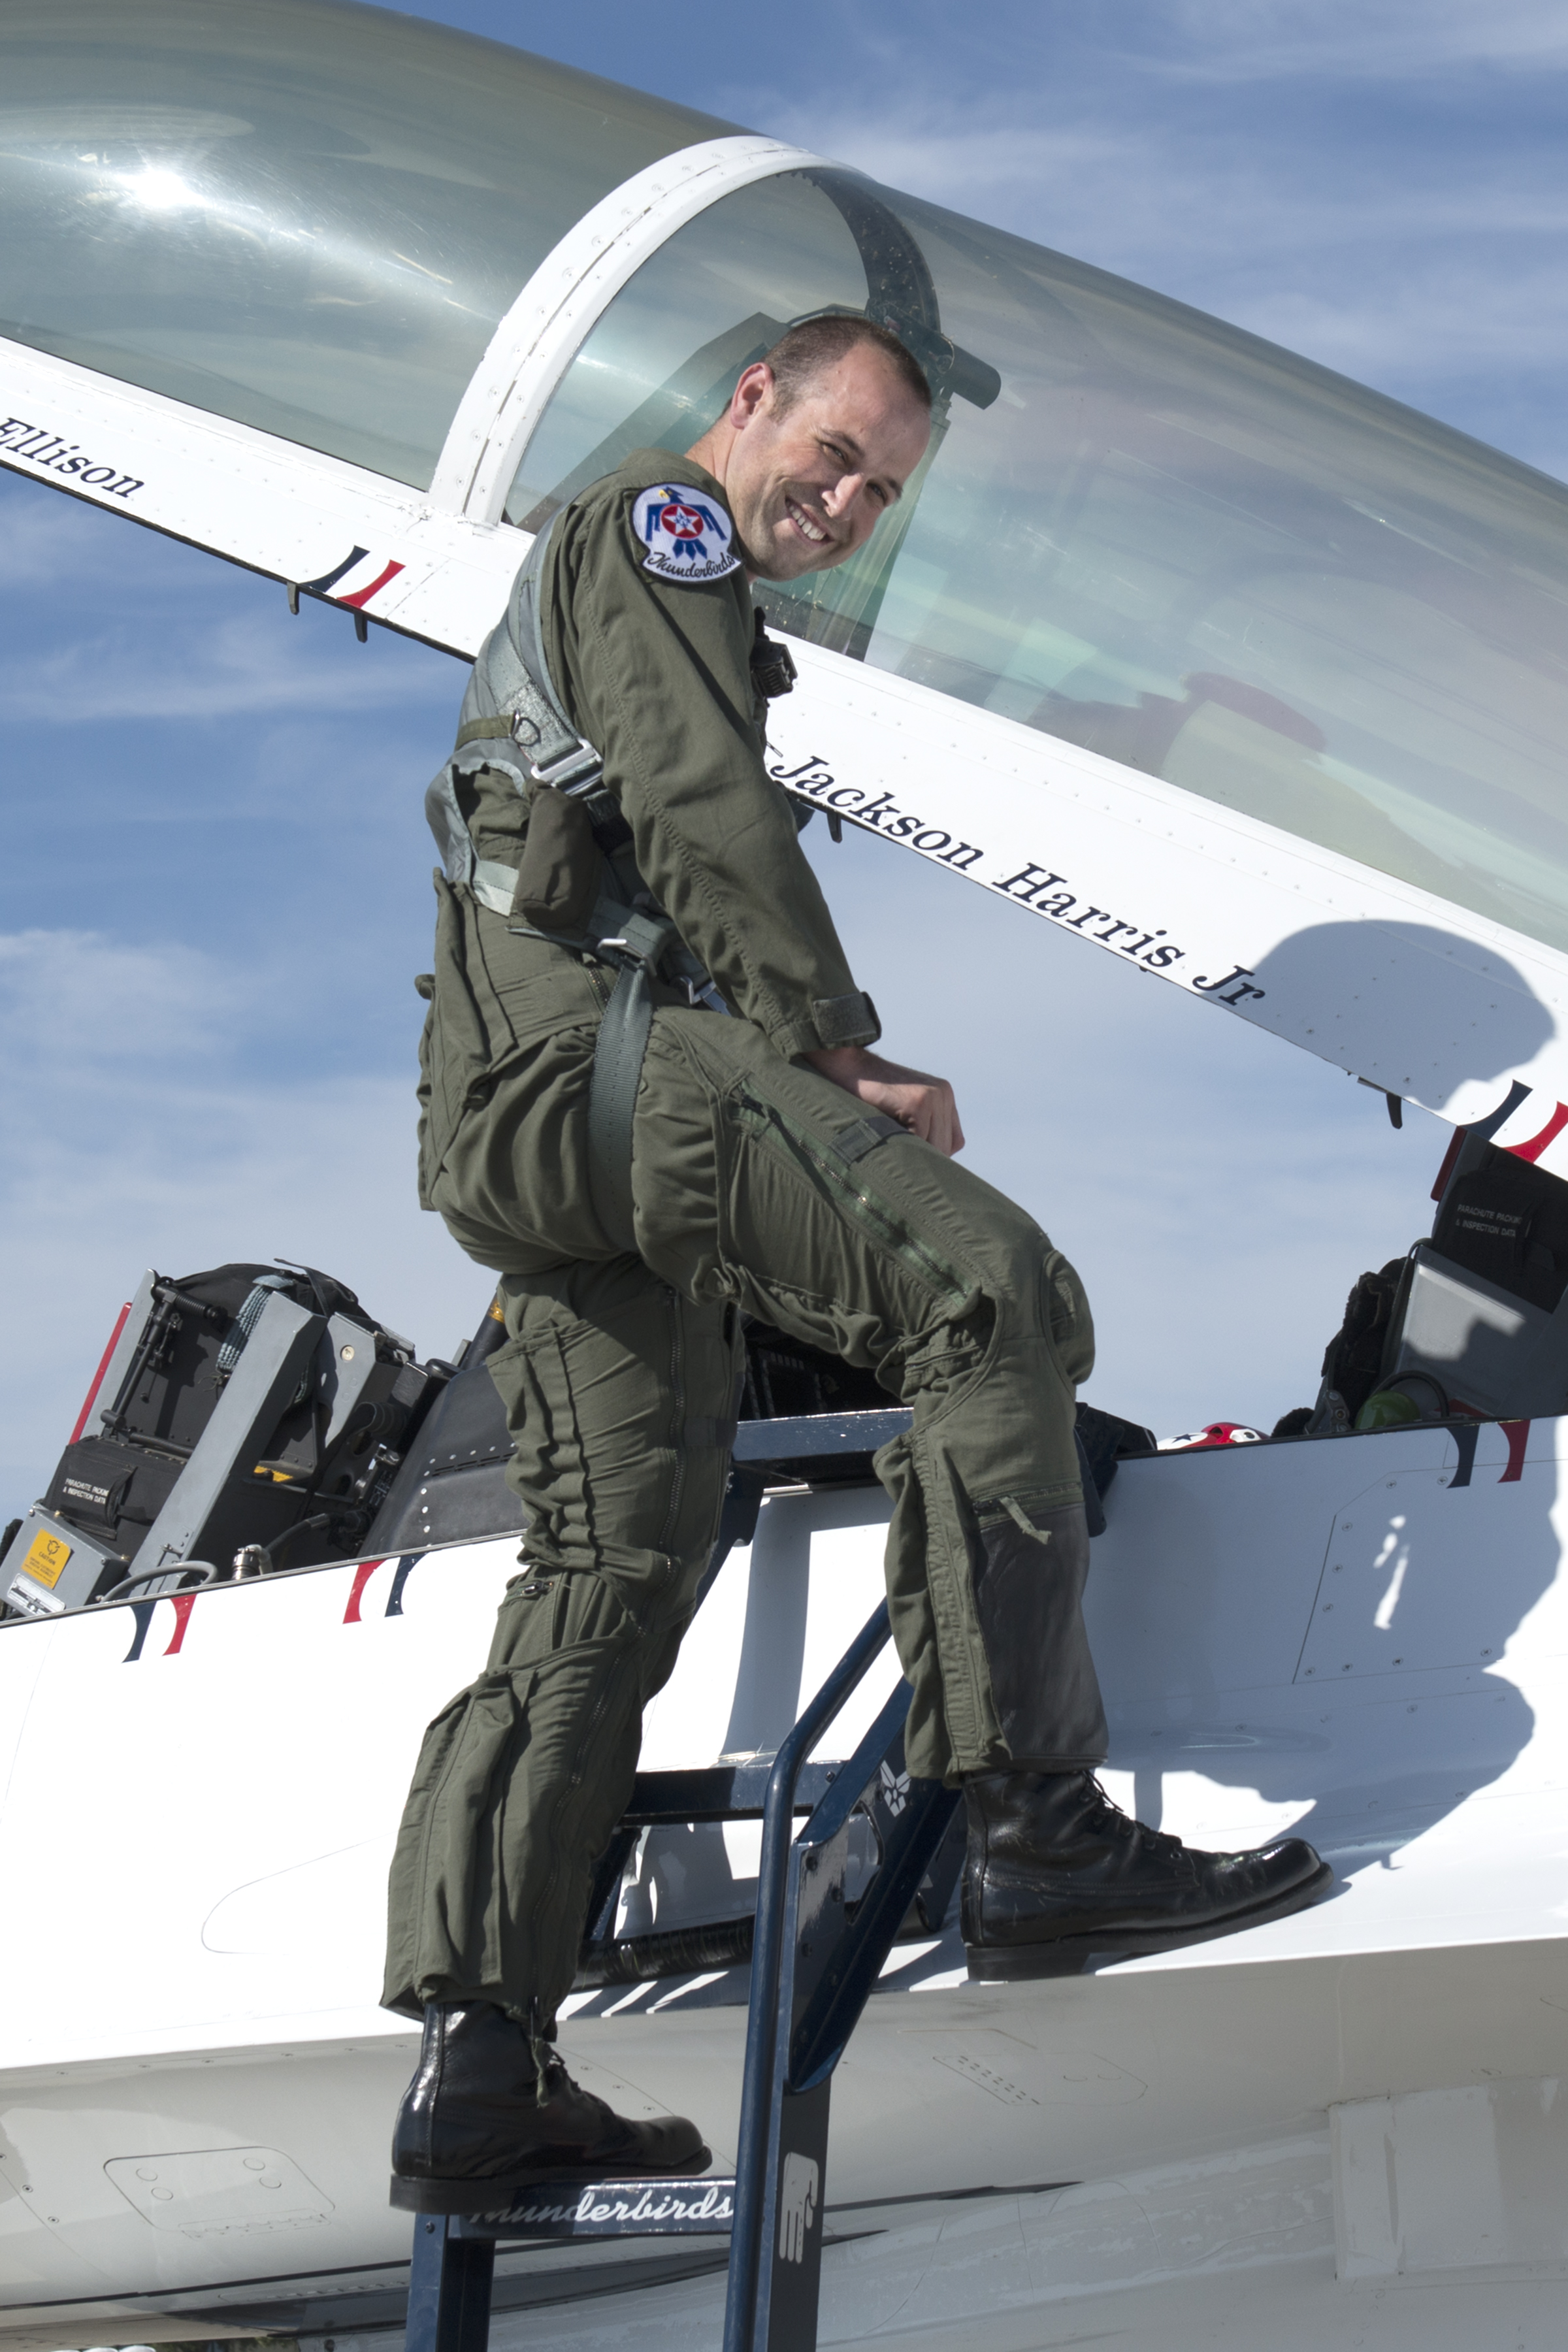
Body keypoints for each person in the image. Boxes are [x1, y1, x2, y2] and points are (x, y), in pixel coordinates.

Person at [382, 314, 1329, 2206]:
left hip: (507, 1119)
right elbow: (701, 810)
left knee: (610, 1556)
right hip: (611, 1070)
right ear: (748, 405)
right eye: (828, 451)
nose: (839, 500)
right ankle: (1038, 1828)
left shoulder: (662, 572)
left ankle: (481, 2073)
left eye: (875, 490)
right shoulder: (661, 528)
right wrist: (837, 1044)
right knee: (996, 1298)